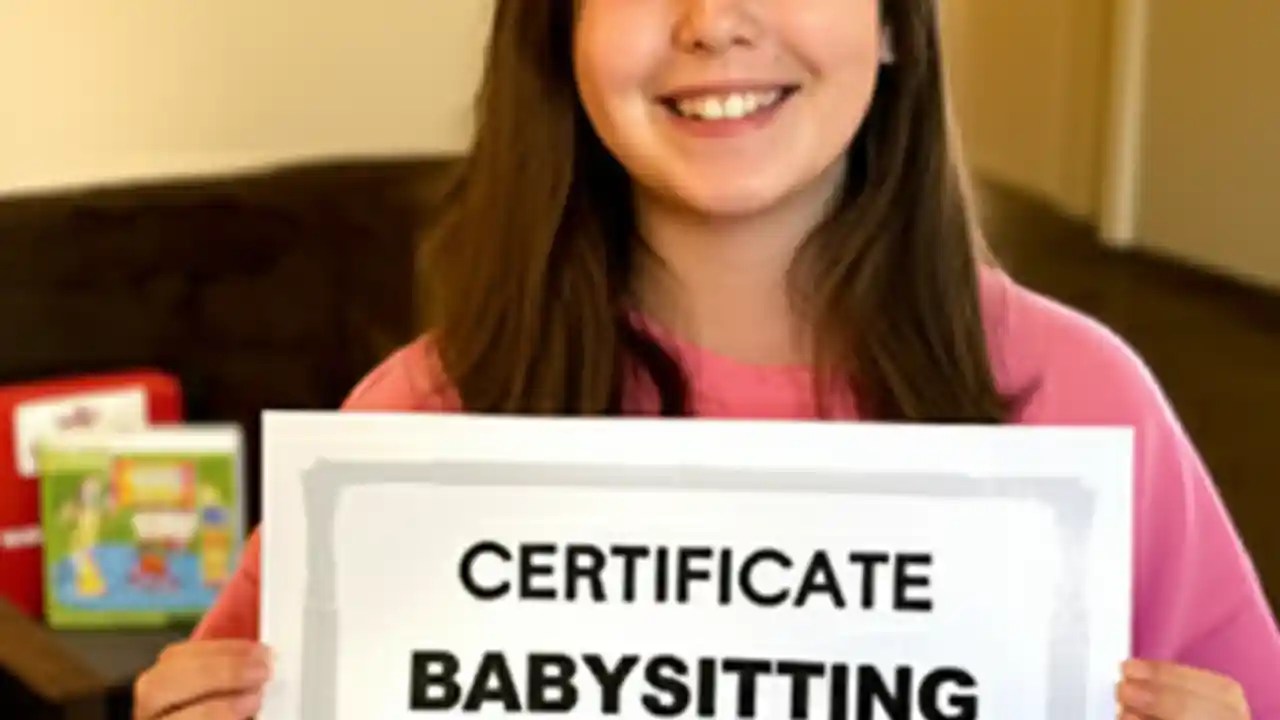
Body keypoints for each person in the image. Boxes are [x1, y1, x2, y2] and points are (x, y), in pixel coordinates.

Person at [131, 1, 1280, 718]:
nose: (711, 20)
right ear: (557, 32)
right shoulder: (425, 420)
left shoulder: (1078, 401)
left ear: (891, 23)